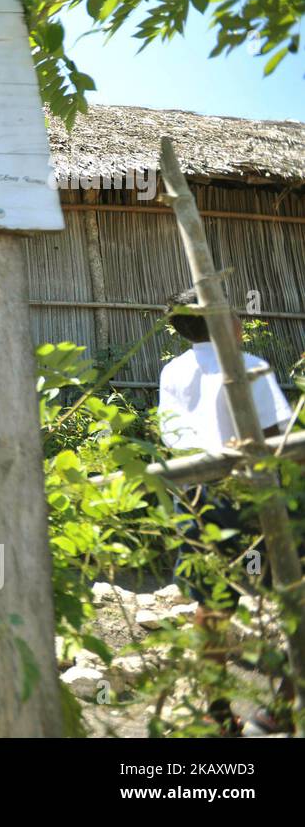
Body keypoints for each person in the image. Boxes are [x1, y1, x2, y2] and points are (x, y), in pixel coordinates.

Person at [157, 287, 297, 735]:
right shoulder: (250, 366)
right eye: (235, 313)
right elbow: (274, 439)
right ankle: (284, 705)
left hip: (198, 501)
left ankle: (216, 712)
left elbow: (173, 439)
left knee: (212, 607)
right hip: (254, 497)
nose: (240, 320)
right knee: (294, 594)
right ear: (222, 321)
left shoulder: (172, 372)